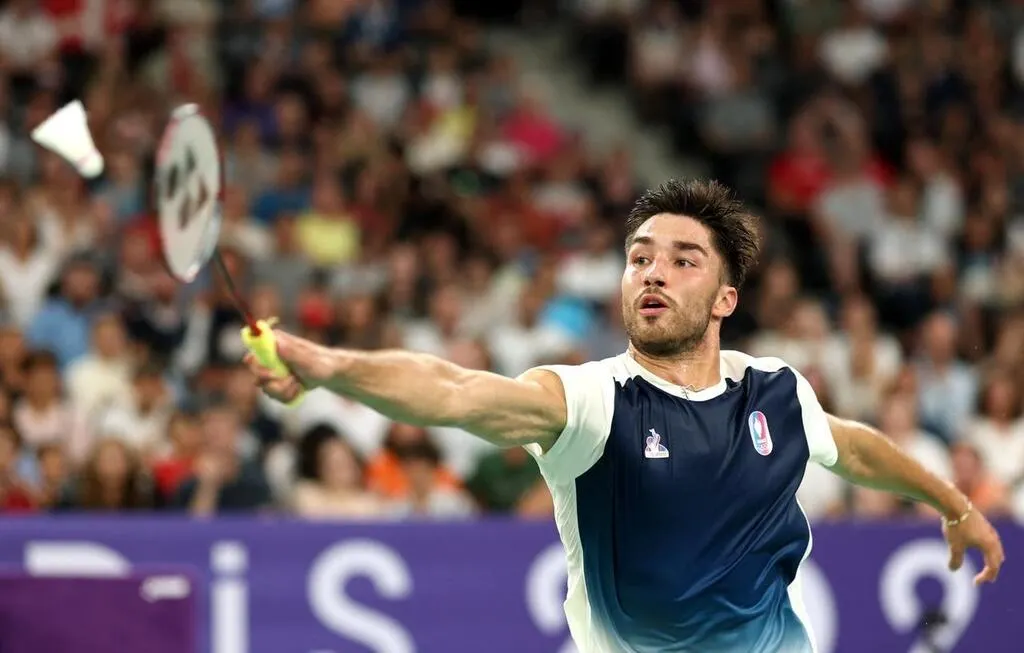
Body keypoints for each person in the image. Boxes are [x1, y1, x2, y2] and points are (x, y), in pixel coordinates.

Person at [246, 179, 1004, 653]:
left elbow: (851, 447)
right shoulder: (588, 401)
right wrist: (329, 366)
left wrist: (954, 503)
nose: (653, 272)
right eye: (640, 256)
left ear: (726, 299)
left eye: (682, 259)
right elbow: (453, 390)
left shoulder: (776, 389)